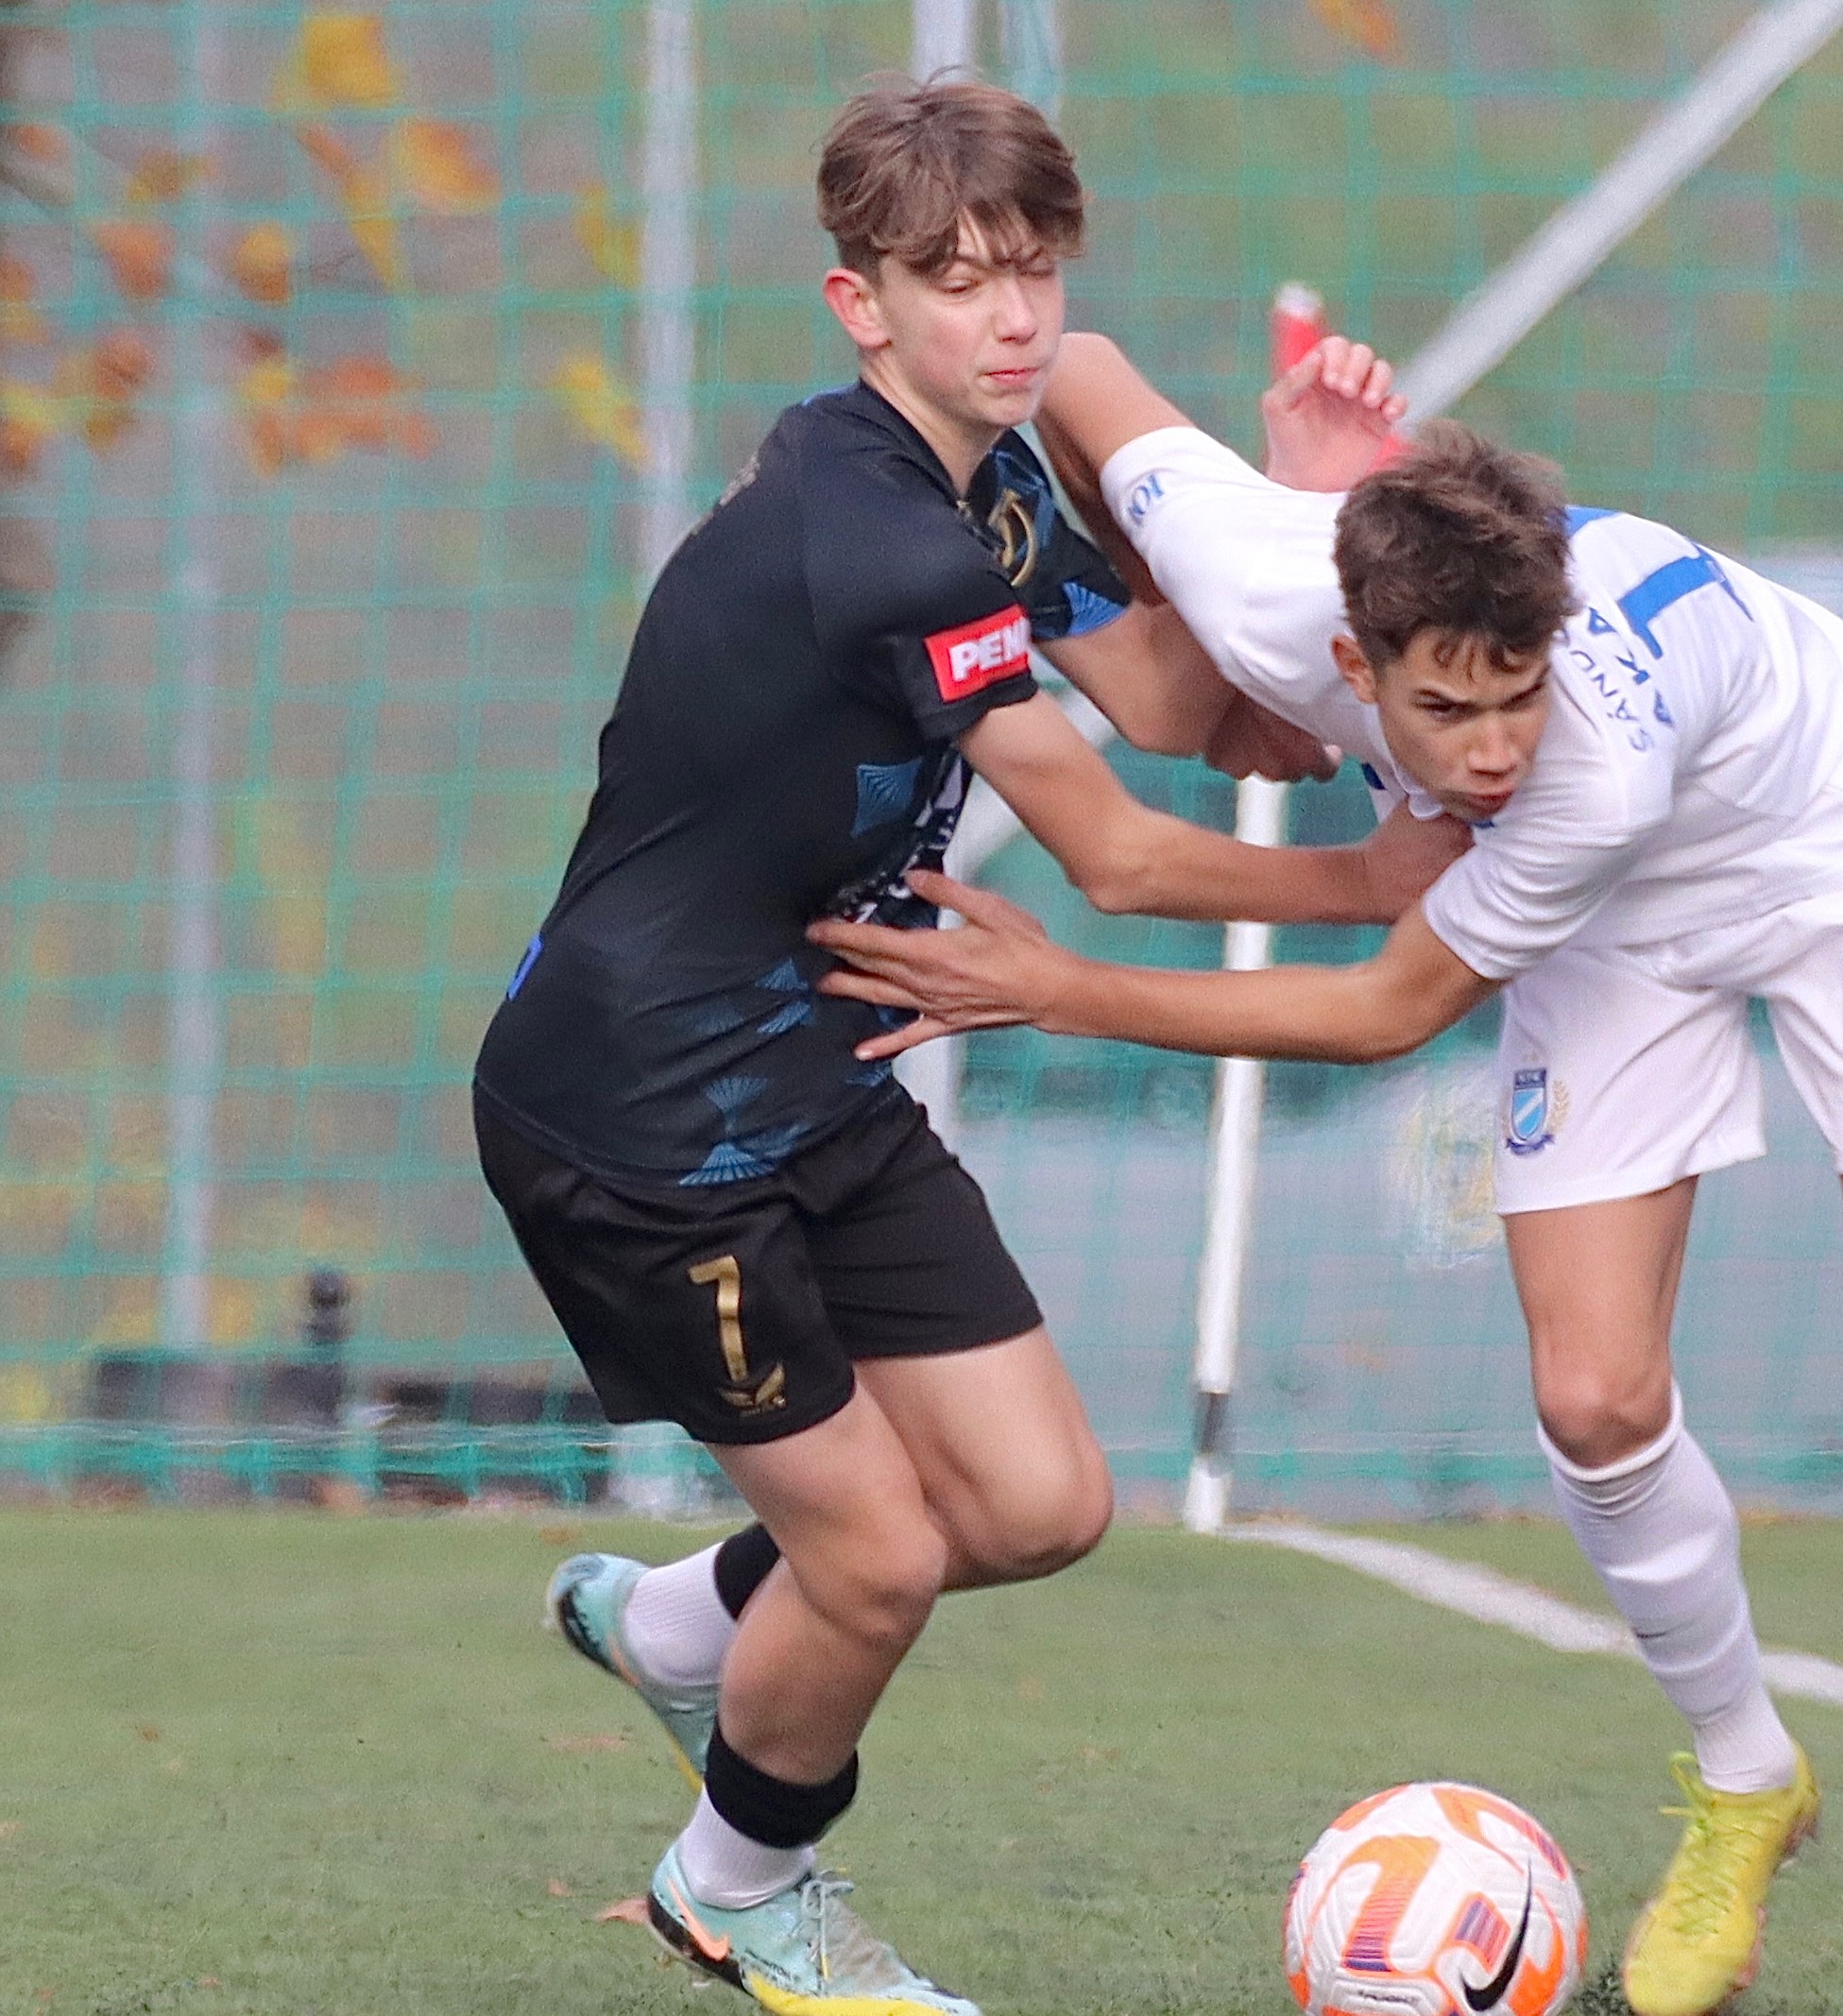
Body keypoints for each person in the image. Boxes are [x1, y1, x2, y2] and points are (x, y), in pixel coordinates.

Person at [811, 341, 1843, 2016]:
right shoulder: (1261, 583)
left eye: (1515, 694)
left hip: (1822, 844)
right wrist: (1158, 611)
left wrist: (1057, 990)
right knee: (1594, 1399)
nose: (1486, 750)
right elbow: (1078, 373)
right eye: (1442, 710)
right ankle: (1746, 1780)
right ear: (1347, 656)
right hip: (1603, 921)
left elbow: (1385, 1008)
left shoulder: (1573, 776)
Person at [474, 80, 1444, 2013]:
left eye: (1033, 272)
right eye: (955, 281)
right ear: (860, 302)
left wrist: (1304, 509)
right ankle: (739, 1887)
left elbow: (1173, 690)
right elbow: (1121, 854)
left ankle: (679, 1621)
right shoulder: (875, 532)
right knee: (885, 1558)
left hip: (823, 1065)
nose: (1011, 317)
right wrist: (1403, 884)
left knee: (1036, 1509)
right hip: (643, 1121)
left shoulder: (985, 483)